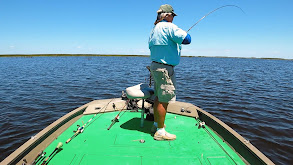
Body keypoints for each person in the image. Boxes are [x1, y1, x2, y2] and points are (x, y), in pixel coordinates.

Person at [149, 4, 191, 141]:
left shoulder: (154, 29)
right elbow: (188, 39)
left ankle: (156, 125)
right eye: (172, 15)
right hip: (165, 69)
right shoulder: (169, 27)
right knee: (164, 99)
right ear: (167, 15)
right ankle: (160, 132)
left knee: (158, 97)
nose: (173, 17)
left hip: (155, 66)